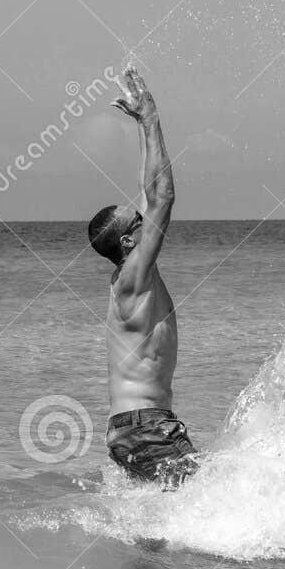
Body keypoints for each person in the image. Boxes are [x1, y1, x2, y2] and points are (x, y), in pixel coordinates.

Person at [87, 69, 197, 489]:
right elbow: (162, 196)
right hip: (147, 426)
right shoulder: (133, 276)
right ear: (128, 240)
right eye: (138, 220)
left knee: (175, 514)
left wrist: (138, 122)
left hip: (131, 428)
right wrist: (151, 118)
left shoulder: (129, 279)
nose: (146, 217)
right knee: (213, 498)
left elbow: (149, 192)